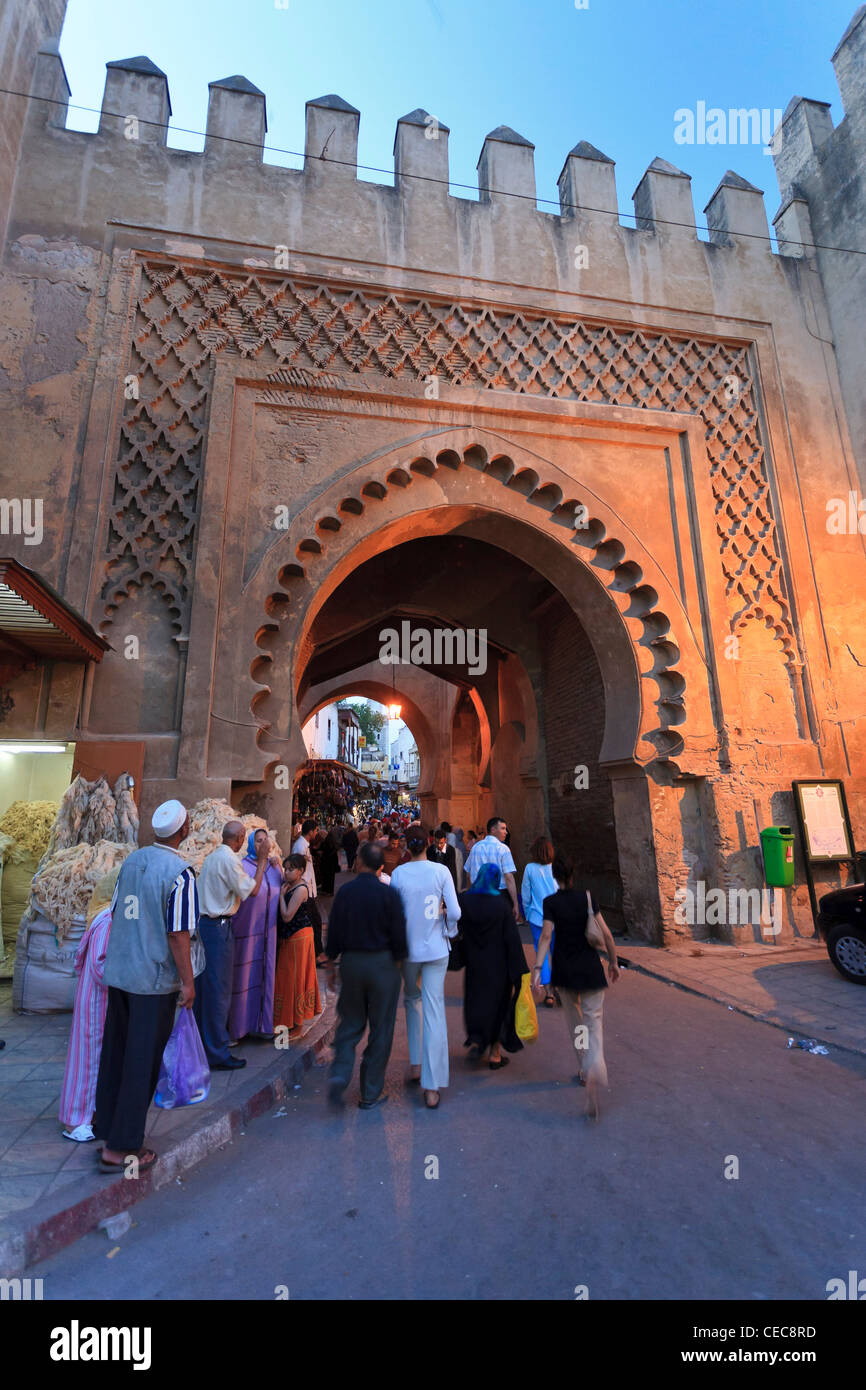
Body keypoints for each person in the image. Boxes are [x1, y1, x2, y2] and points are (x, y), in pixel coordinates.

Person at [93, 800, 204, 1175]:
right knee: (141, 1062)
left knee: (117, 1055)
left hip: (122, 973)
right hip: (153, 982)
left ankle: (107, 1128)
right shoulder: (180, 873)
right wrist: (188, 983)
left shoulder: (132, 861)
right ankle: (121, 1148)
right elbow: (178, 934)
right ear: (184, 829)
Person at [533, 856, 620, 1121]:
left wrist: (538, 969)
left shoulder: (551, 903)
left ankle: (585, 1069)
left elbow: (546, 936)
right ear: (573, 874)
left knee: (577, 1024)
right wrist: (614, 962)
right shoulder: (587, 898)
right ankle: (595, 1068)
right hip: (591, 969)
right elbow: (605, 933)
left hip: (565, 971)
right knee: (594, 1022)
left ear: (554, 878)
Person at [325, 842, 408, 1109]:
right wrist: (398, 966)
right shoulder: (389, 894)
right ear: (381, 866)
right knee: (381, 1028)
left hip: (351, 963)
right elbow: (399, 936)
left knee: (349, 1023)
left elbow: (334, 933)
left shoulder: (345, 893)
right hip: (383, 965)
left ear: (359, 863)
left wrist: (331, 965)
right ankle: (370, 1092)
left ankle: (340, 1072)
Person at [390, 829, 461, 1109]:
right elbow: (455, 912)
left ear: (407, 846)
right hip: (436, 949)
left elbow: (394, 915)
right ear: (429, 844)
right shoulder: (441, 872)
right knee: (434, 1009)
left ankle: (416, 1063)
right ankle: (431, 1087)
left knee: (411, 1000)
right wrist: (448, 928)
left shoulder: (399, 874)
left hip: (409, 951)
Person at [195, 820, 267, 1070]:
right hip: (218, 929)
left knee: (206, 990)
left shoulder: (214, 856)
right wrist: (263, 861)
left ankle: (203, 1047)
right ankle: (217, 1053)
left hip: (206, 926)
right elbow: (253, 890)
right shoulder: (229, 860)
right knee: (219, 992)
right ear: (239, 838)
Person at [58, 866, 122, 1142]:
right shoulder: (107, 920)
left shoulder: (103, 917)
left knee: (90, 1059)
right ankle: (76, 1121)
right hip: (97, 1001)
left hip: (95, 1000)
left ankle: (87, 1114)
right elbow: (99, 966)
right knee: (89, 1062)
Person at [458, 862, 527, 1069]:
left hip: (474, 963)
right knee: (498, 1006)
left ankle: (477, 1038)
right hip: (498, 966)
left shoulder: (466, 901)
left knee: (475, 1001)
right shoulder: (501, 906)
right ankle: (495, 1054)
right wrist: (519, 971)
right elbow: (512, 940)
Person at [227, 829, 282, 1043]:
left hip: (269, 936)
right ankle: (238, 1029)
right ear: (250, 844)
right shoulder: (243, 867)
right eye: (258, 841)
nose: (263, 845)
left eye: (265, 840)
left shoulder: (273, 867)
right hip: (246, 936)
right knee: (243, 979)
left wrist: (279, 866)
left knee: (265, 978)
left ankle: (263, 1024)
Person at [274, 853, 322, 1038]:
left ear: (301, 871)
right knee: (287, 979)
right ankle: (287, 1023)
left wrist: (280, 896)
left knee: (296, 979)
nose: (286, 872)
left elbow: (287, 916)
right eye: (285, 868)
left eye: (291, 869)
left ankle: (297, 1025)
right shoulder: (290, 885)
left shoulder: (301, 889)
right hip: (292, 937)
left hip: (299, 938)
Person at [521, 837, 558, 1007]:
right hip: (557, 918)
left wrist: (527, 911)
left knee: (541, 953)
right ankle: (562, 987)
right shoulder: (556, 868)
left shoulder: (530, 869)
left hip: (538, 917)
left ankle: (549, 992)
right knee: (557, 952)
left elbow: (526, 893)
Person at [464, 816, 521, 921]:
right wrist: (516, 903)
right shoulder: (503, 849)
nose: (506, 832)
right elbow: (508, 877)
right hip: (499, 895)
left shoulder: (475, 847)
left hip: (478, 894)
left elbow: (468, 873)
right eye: (503, 828)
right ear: (493, 829)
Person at [427, 826, 460, 892]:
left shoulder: (450, 850)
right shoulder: (430, 850)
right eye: (436, 843)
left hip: (447, 881)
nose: (439, 845)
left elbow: (451, 869)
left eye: (441, 843)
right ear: (434, 840)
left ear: (445, 840)